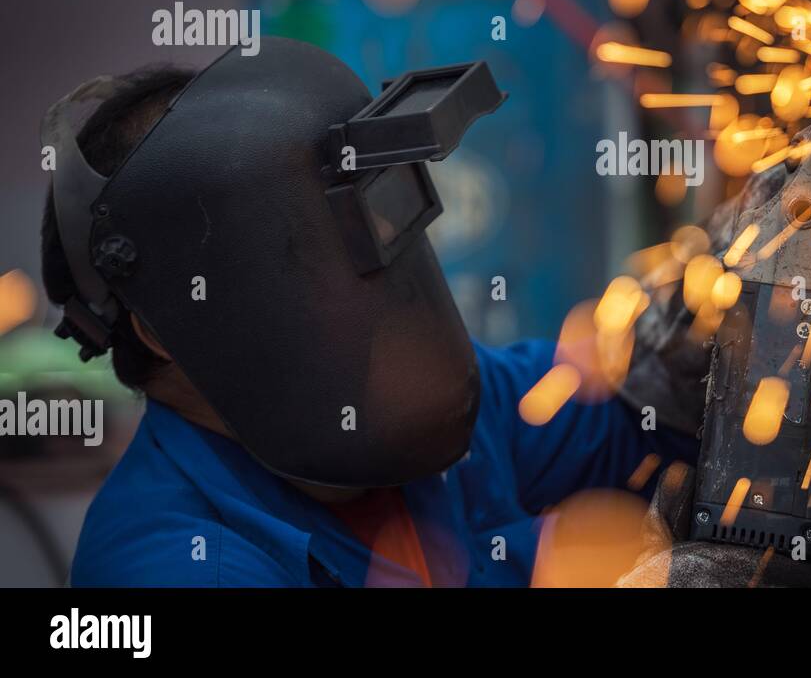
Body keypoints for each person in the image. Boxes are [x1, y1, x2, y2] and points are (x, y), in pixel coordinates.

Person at [40, 40, 698, 587]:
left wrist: (701, 342)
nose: (364, 273)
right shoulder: (171, 564)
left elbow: (618, 418)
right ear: (162, 331)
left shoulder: (437, 405)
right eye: (294, 259)